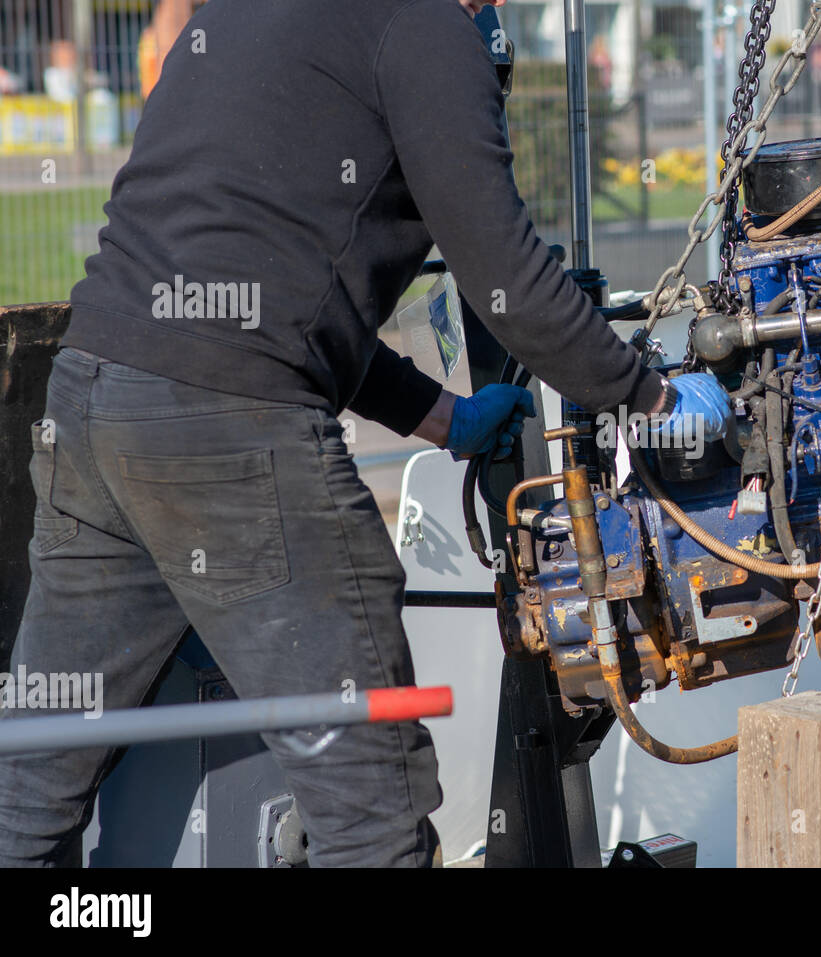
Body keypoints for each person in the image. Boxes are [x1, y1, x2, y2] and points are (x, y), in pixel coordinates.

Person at [0, 0, 729, 867]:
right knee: (371, 812)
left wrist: (445, 418)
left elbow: (282, 303)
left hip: (92, 399)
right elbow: (510, 284)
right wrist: (651, 398)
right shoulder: (426, 28)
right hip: (235, 437)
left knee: (31, 783)